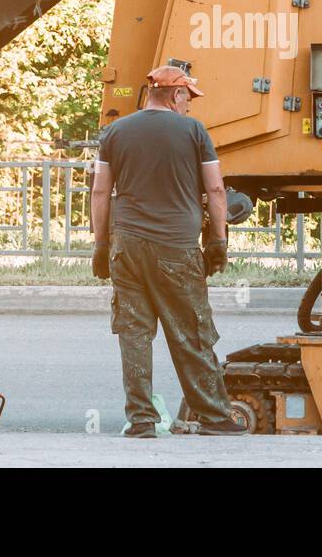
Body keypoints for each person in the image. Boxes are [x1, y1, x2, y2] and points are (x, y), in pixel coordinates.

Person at [90, 64, 246, 437]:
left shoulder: (115, 132)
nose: (190, 104)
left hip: (126, 247)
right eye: (188, 97)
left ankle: (142, 420)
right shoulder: (193, 131)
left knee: (134, 332)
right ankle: (214, 418)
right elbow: (216, 190)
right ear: (175, 95)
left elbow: (100, 192)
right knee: (191, 331)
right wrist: (218, 241)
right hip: (176, 246)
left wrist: (100, 245)